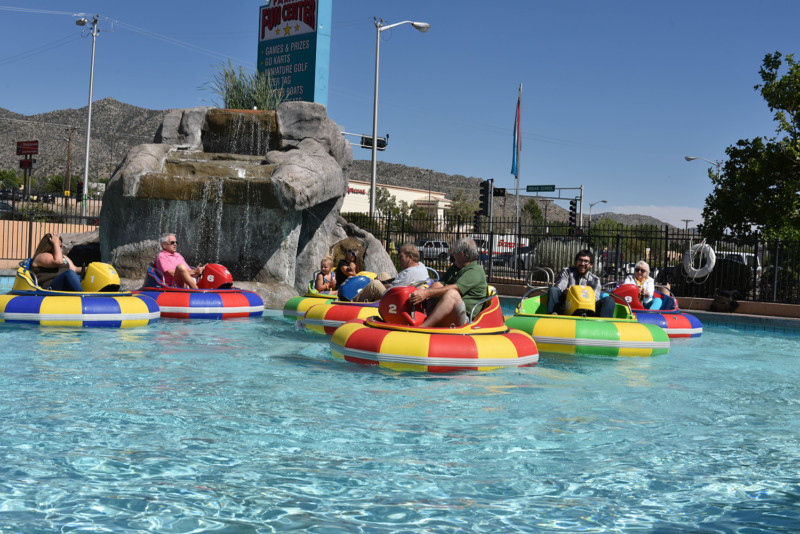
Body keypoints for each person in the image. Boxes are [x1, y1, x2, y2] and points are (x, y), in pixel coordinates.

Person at [409, 237, 487, 328]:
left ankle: (424, 327)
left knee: (453, 294)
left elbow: (456, 288)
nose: (453, 254)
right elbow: (440, 285)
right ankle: (419, 317)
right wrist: (423, 290)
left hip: (463, 320)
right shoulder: (455, 268)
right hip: (445, 312)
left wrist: (426, 293)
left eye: (455, 252)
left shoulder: (476, 271)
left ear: (461, 254)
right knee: (436, 285)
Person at [547, 250, 615, 317]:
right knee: (554, 290)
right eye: (580, 260)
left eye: (586, 261)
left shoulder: (595, 280)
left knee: (609, 300)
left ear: (591, 265)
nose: (582, 263)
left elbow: (594, 298)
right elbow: (560, 286)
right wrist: (566, 292)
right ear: (576, 262)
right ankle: (553, 317)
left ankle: (604, 325)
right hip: (567, 305)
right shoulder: (567, 272)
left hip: (588, 309)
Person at [352, 244, 429, 302]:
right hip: (404, 290)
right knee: (383, 275)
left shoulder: (409, 274)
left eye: (401, 256)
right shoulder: (420, 266)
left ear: (410, 257)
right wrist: (382, 282)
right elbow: (399, 281)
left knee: (374, 284)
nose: (398, 259)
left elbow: (392, 288)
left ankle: (352, 302)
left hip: (395, 299)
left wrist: (378, 283)